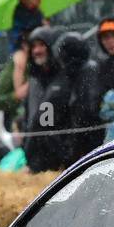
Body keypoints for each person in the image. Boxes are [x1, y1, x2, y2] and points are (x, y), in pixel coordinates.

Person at [22, 27, 71, 171]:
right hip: (35, 155)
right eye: (34, 46)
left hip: (57, 158)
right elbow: (30, 117)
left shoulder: (63, 78)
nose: (37, 51)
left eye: (41, 45)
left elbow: (49, 120)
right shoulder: (34, 79)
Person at [55, 31, 103, 162]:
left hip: (90, 136)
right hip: (85, 134)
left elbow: (87, 109)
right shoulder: (77, 72)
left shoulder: (88, 71)